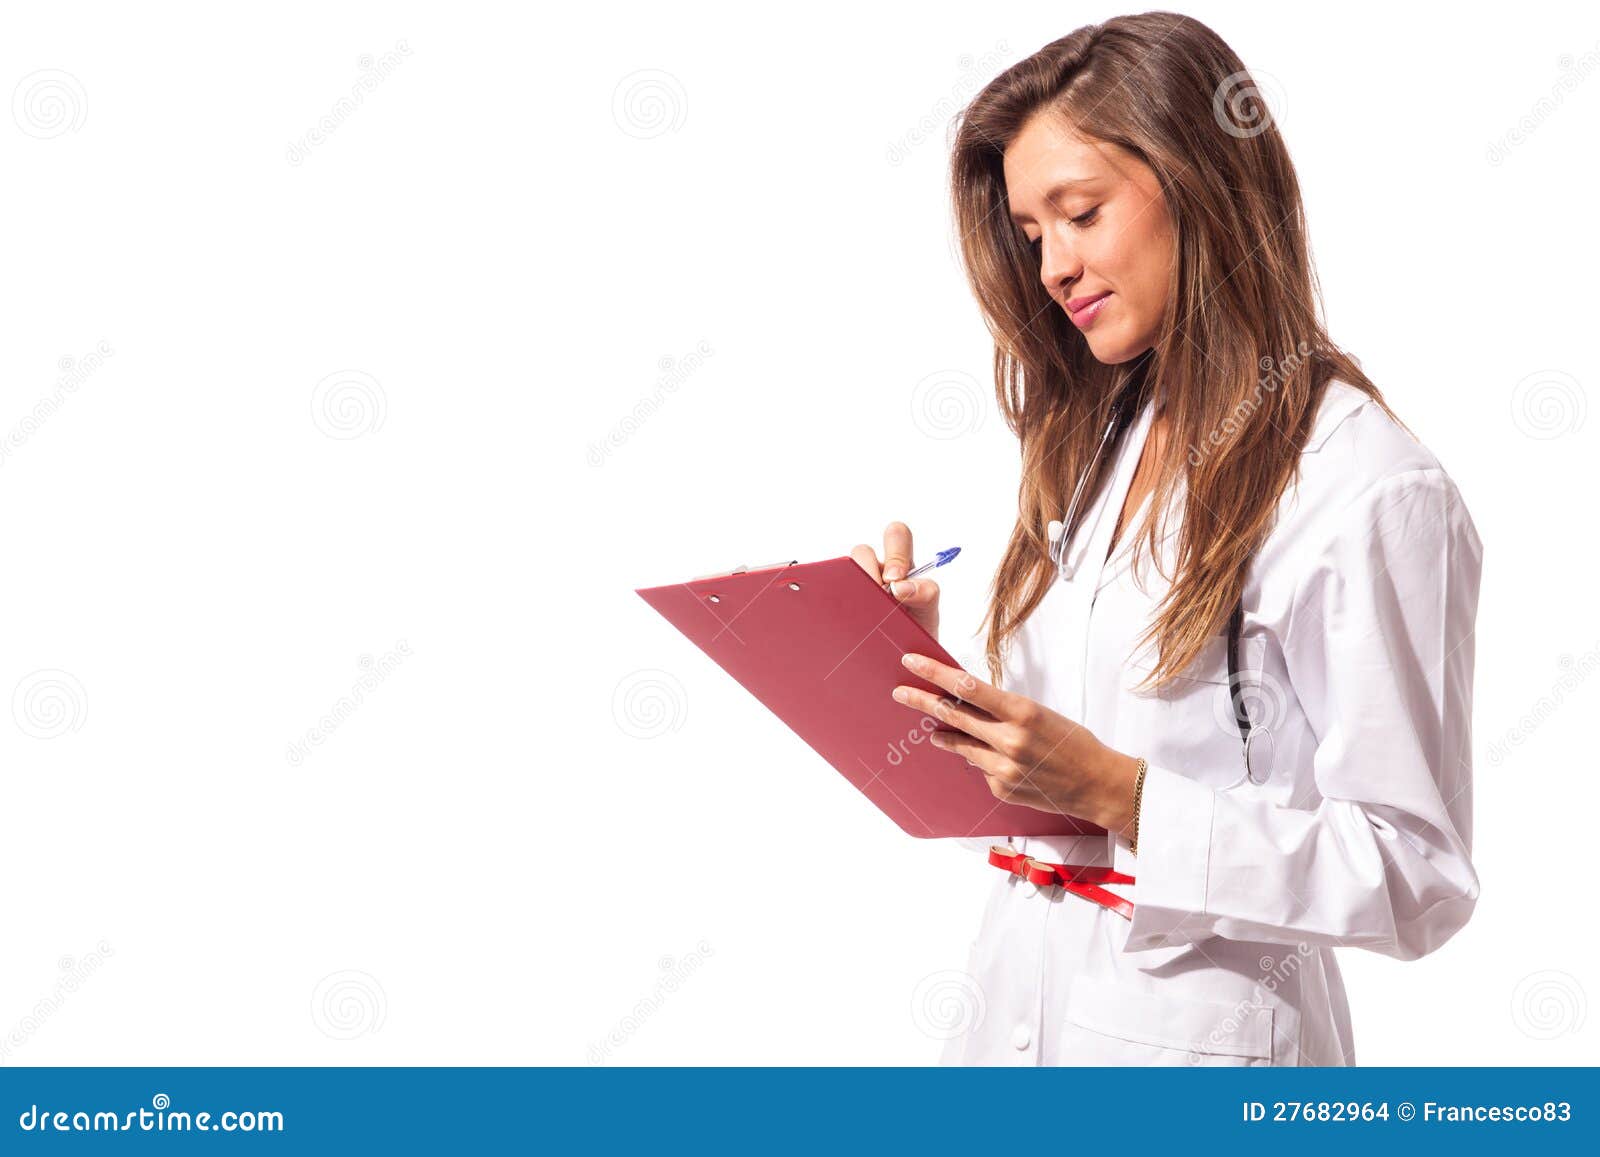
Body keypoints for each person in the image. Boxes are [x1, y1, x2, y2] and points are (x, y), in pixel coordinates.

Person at [855, 12, 1482, 1066]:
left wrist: (1122, 793)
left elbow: (1417, 876)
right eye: (1029, 231)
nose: (1052, 265)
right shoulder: (1101, 438)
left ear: (1199, 182)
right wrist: (909, 666)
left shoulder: (1368, 485)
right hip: (1019, 1025)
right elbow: (1071, 763)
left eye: (1081, 212)